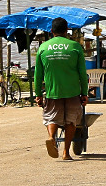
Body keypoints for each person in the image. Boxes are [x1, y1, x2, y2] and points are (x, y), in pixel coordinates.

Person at [34, 17, 88, 161]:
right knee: (71, 121)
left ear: (51, 31)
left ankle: (52, 138)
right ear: (66, 30)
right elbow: (83, 73)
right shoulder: (75, 47)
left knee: (52, 117)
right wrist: (85, 93)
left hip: (52, 91)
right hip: (73, 91)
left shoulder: (43, 48)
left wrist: (38, 94)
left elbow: (38, 75)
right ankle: (65, 153)